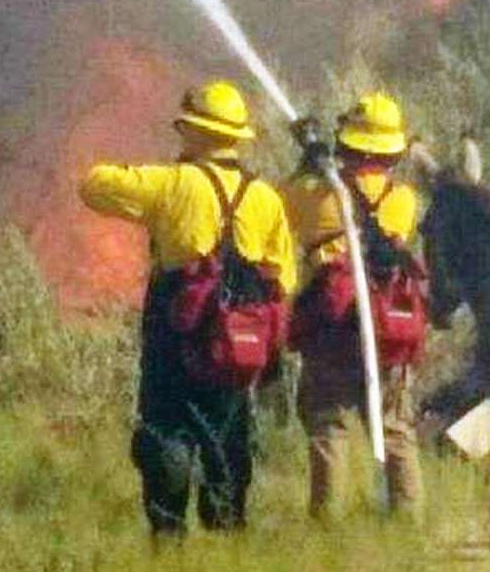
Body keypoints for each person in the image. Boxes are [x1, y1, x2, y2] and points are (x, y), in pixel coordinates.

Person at [79, 80, 296, 539]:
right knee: (231, 433)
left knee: (166, 429)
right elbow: (284, 277)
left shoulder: (172, 183)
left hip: (176, 330)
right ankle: (226, 529)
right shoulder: (266, 198)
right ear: (237, 136)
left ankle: (170, 535)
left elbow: (93, 186)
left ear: (195, 133)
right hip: (241, 341)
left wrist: (142, 174)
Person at [284, 92, 426, 521]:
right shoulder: (404, 199)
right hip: (387, 334)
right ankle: (408, 525)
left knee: (330, 427)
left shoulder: (314, 194)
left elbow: (278, 206)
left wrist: (309, 166)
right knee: (397, 431)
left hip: (331, 331)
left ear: (348, 144)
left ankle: (329, 528)